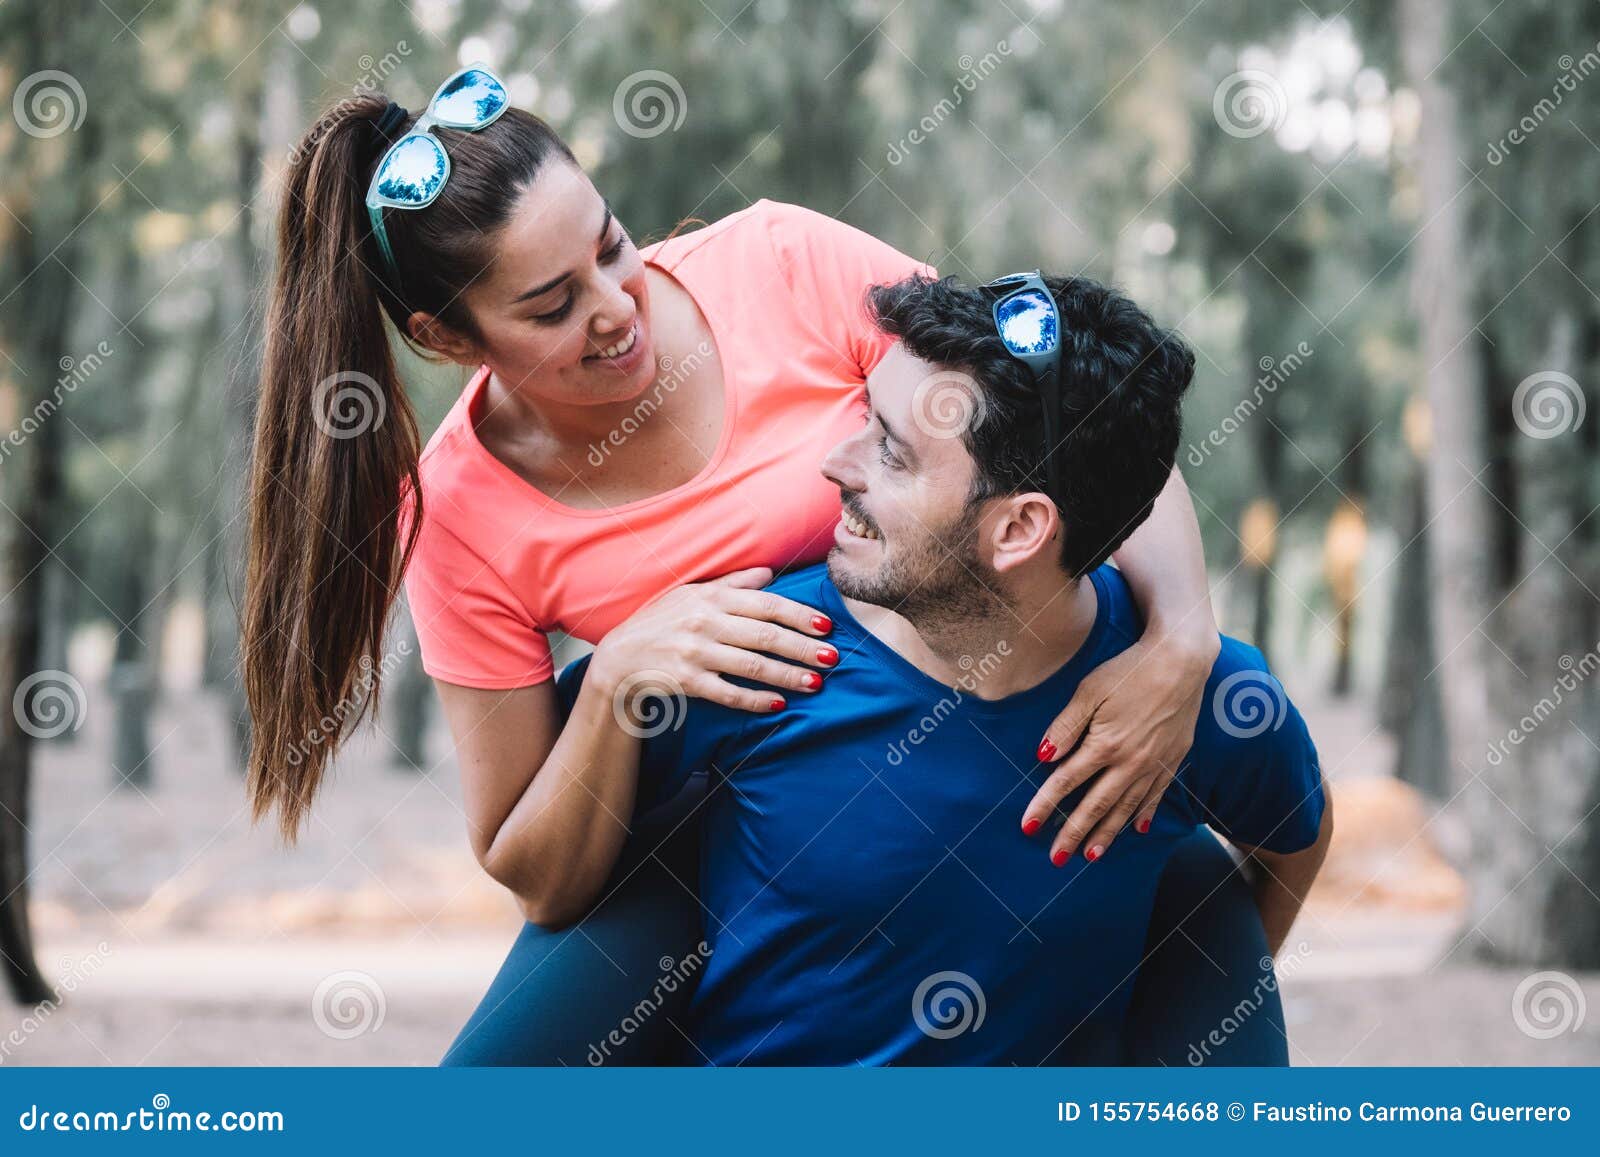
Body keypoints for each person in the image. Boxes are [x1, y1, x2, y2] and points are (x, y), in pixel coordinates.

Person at [241, 66, 1242, 1065]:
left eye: (609, 245)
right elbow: (533, 868)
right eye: (551, 306)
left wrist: (1182, 638)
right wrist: (616, 682)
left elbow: (1070, 420)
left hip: (992, 747)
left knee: (1185, 897)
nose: (615, 306)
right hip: (720, 835)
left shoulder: (781, 260)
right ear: (447, 338)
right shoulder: (460, 510)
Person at [542, 272, 1331, 1064]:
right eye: (866, 420)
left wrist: (1189, 1002)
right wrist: (612, 674)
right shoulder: (749, 644)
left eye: (892, 453)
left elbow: (1295, 832)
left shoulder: (1194, 702)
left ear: (1020, 527)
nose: (836, 464)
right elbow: (545, 873)